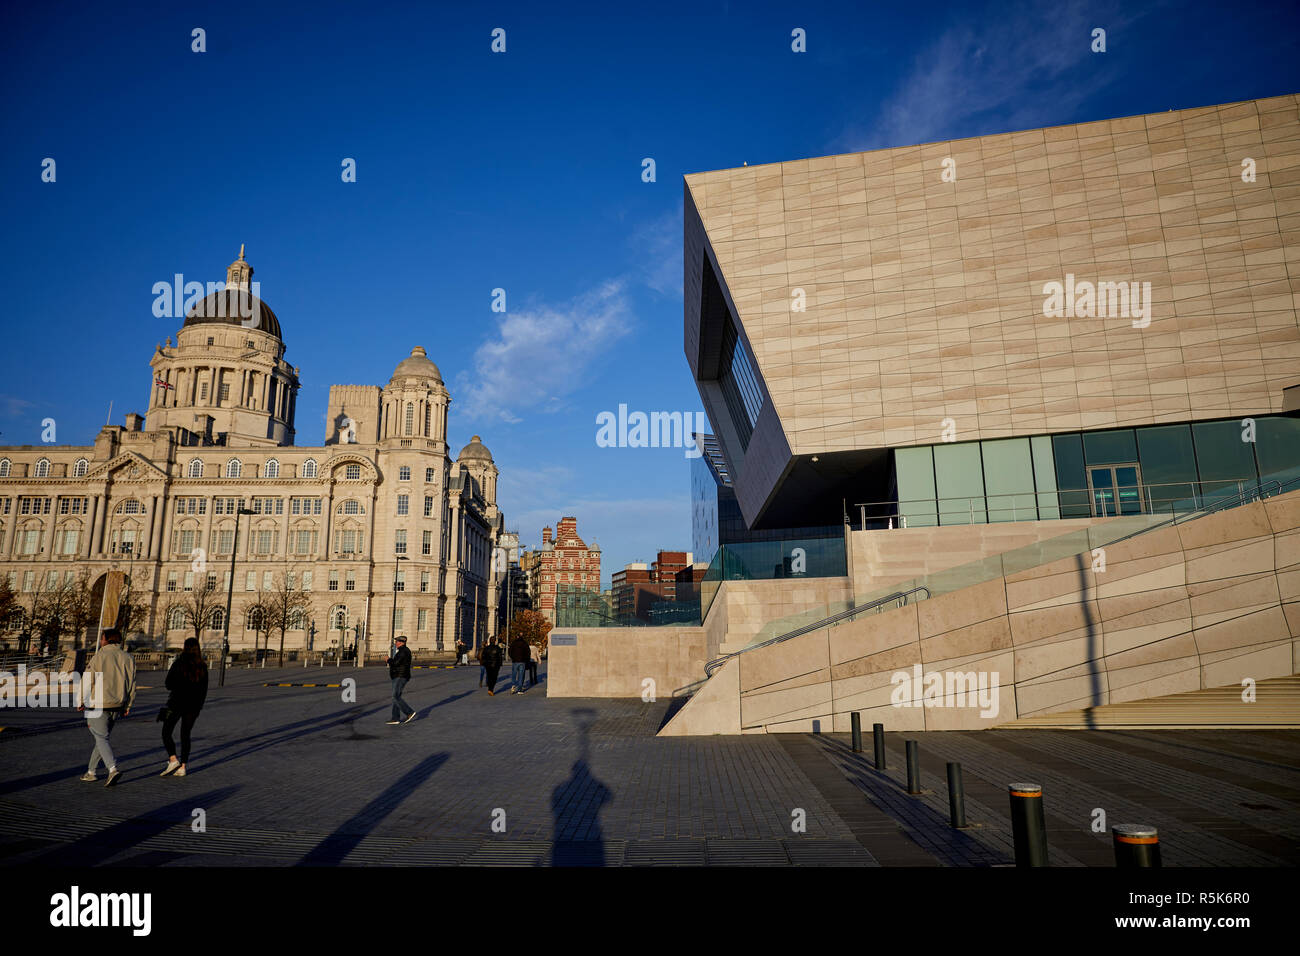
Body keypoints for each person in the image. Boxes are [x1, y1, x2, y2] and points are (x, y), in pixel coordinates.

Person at [79, 628, 136, 787]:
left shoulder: (99, 656)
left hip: (98, 703)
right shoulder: (128, 657)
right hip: (117, 704)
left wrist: (80, 700)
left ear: (107, 640)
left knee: (101, 737)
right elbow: (132, 683)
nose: (100, 641)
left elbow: (87, 680)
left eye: (102, 638)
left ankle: (112, 769)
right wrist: (128, 704)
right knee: (102, 738)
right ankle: (91, 772)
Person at [160, 637, 208, 777]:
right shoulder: (202, 666)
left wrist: (179, 686)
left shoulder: (179, 663)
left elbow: (168, 684)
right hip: (193, 706)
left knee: (166, 732)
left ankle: (173, 758)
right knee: (185, 735)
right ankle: (183, 766)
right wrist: (199, 706)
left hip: (177, 702)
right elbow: (203, 690)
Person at [385, 636, 416, 725]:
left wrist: (388, 660)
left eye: (397, 641)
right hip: (400, 675)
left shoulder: (403, 651)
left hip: (400, 676)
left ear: (401, 642)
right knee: (396, 697)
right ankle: (395, 718)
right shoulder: (404, 651)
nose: (395, 643)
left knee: (395, 696)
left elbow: (395, 664)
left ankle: (409, 712)